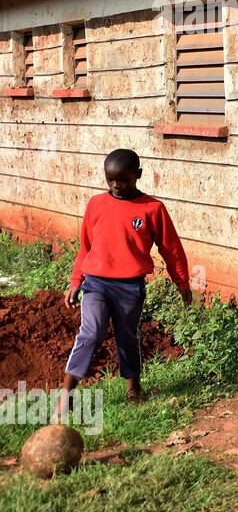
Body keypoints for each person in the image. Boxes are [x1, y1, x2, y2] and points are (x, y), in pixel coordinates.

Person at [57, 148, 192, 418]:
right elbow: (86, 246)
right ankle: (66, 396)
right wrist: (76, 280)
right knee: (91, 333)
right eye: (111, 180)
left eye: (124, 180)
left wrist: (183, 284)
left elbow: (171, 248)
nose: (117, 186)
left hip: (130, 287)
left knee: (127, 336)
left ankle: (133, 388)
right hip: (96, 283)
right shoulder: (96, 204)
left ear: (138, 175)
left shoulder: (153, 209)